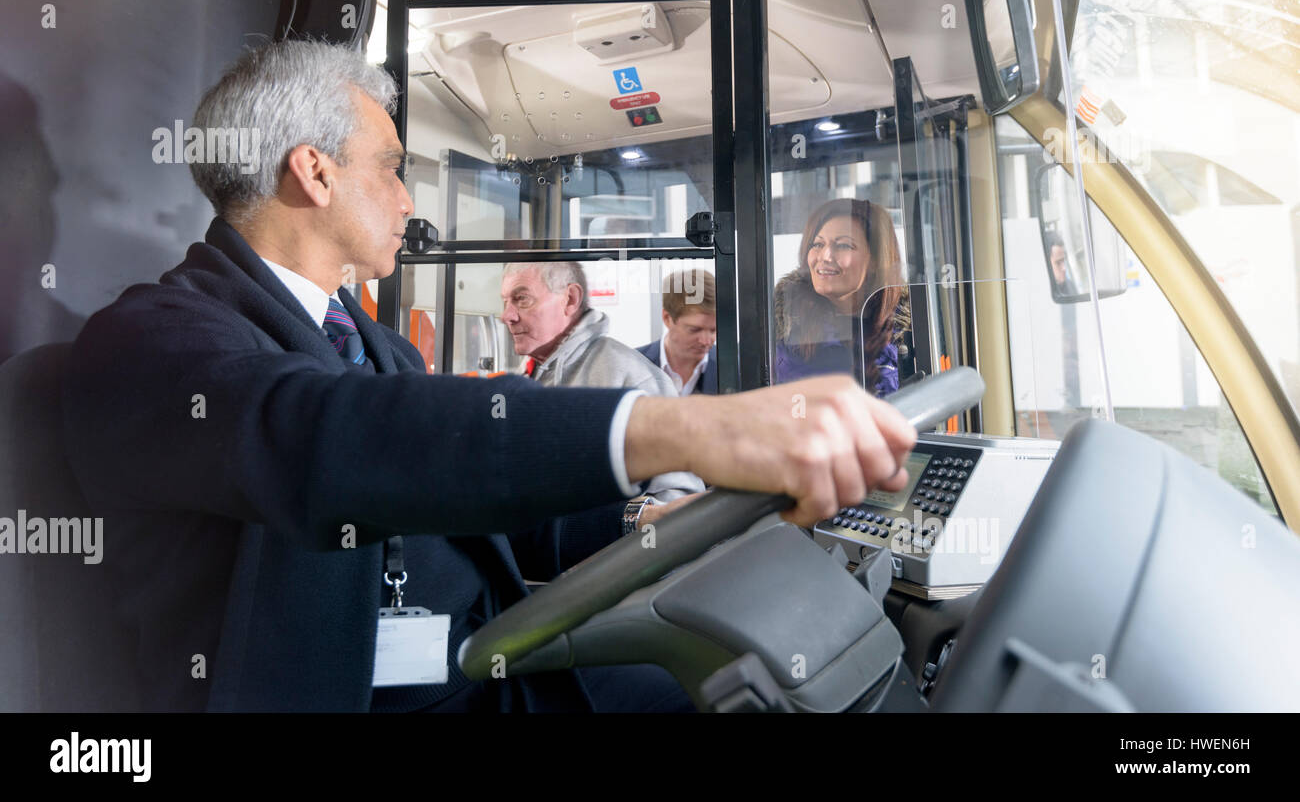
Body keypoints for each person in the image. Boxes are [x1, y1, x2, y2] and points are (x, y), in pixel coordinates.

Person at [59, 40, 918, 712]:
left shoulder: (374, 343)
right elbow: (330, 434)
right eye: (391, 166)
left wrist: (645, 516)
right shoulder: (153, 343)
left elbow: (490, 515)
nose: (407, 200)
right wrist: (693, 429)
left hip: (495, 667)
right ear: (312, 170)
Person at [500, 260, 703, 502]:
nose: (507, 316)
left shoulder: (633, 378)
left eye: (522, 299)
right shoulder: (531, 373)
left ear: (570, 299)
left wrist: (611, 525)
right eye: (505, 302)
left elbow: (677, 505)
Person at [774, 198, 909, 397]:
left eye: (844, 245)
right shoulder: (784, 328)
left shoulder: (912, 334)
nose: (825, 256)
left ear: (875, 259)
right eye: (817, 244)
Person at [636, 269, 718, 395]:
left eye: (713, 330)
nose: (706, 341)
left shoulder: (737, 369)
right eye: (695, 330)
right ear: (667, 318)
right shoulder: (633, 364)